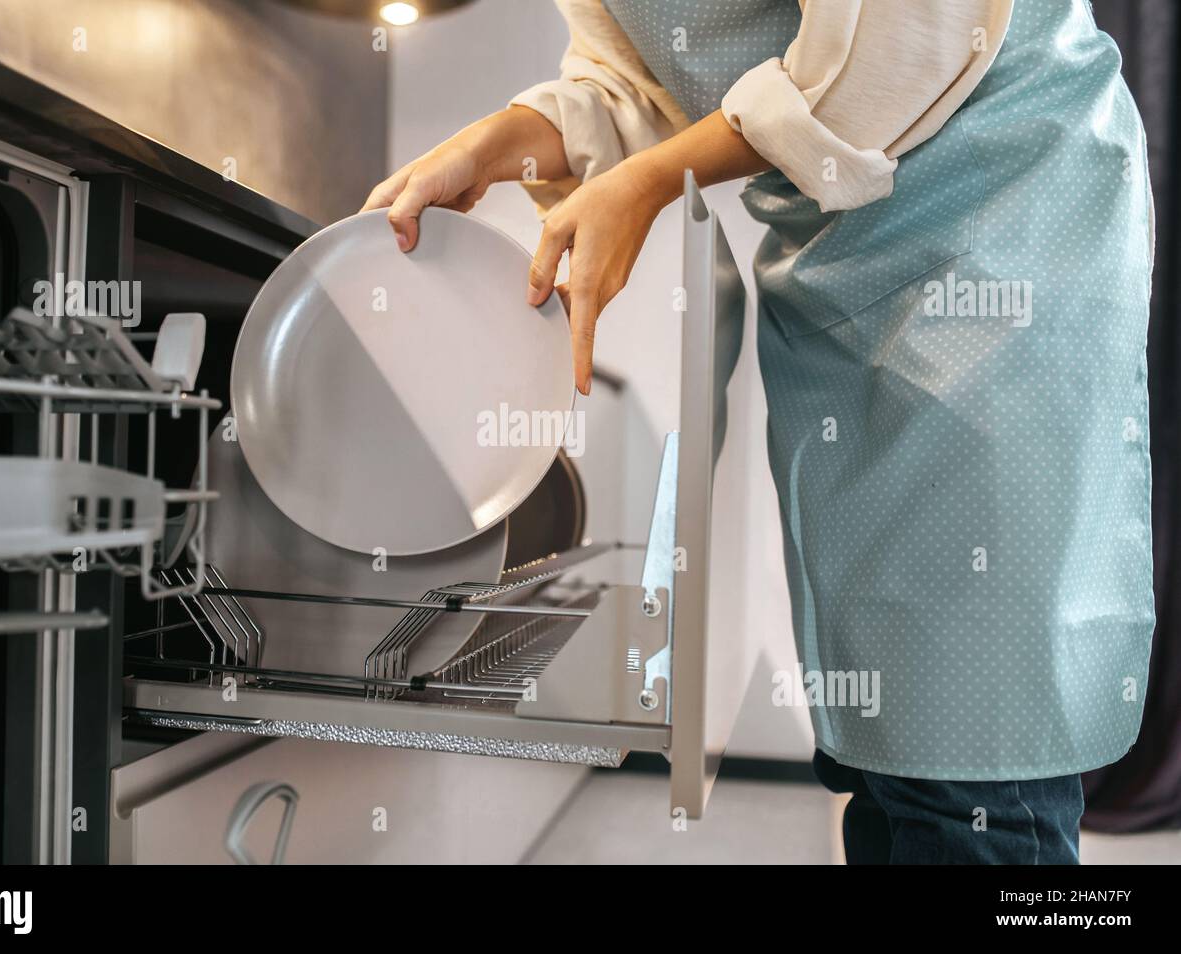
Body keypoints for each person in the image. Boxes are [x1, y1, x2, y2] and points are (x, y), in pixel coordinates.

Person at [362, 0, 1155, 865]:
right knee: (885, 737)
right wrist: (496, 141)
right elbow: (632, 85)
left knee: (972, 746)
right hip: (841, 264)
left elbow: (901, 41)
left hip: (1002, 211)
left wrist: (648, 184)